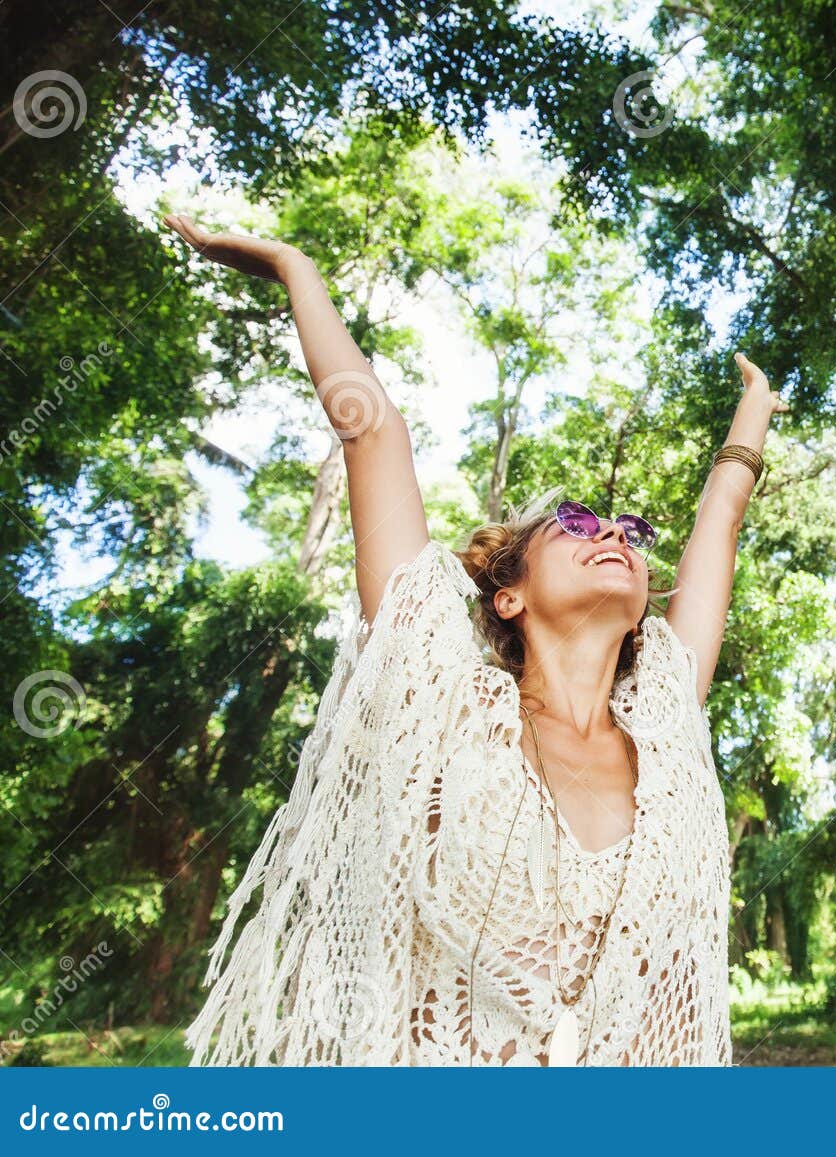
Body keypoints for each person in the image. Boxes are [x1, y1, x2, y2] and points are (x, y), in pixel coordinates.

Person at [162, 213, 787, 1066]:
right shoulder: (443, 695)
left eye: (629, 531)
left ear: (644, 609)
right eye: (573, 523)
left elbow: (722, 518)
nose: (612, 534)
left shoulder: (668, 724)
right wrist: (294, 268)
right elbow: (370, 426)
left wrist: (753, 413)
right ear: (507, 597)